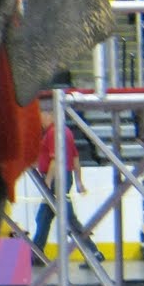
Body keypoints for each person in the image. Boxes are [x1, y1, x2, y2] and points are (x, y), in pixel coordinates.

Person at [30, 102, 92, 256]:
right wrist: (78, 181)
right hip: (64, 176)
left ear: (49, 115)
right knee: (43, 218)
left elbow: (54, 160)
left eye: (41, 117)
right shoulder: (66, 132)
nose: (40, 122)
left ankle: (92, 251)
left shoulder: (53, 133)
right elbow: (76, 158)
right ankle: (37, 254)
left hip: (57, 179)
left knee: (69, 219)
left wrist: (48, 181)